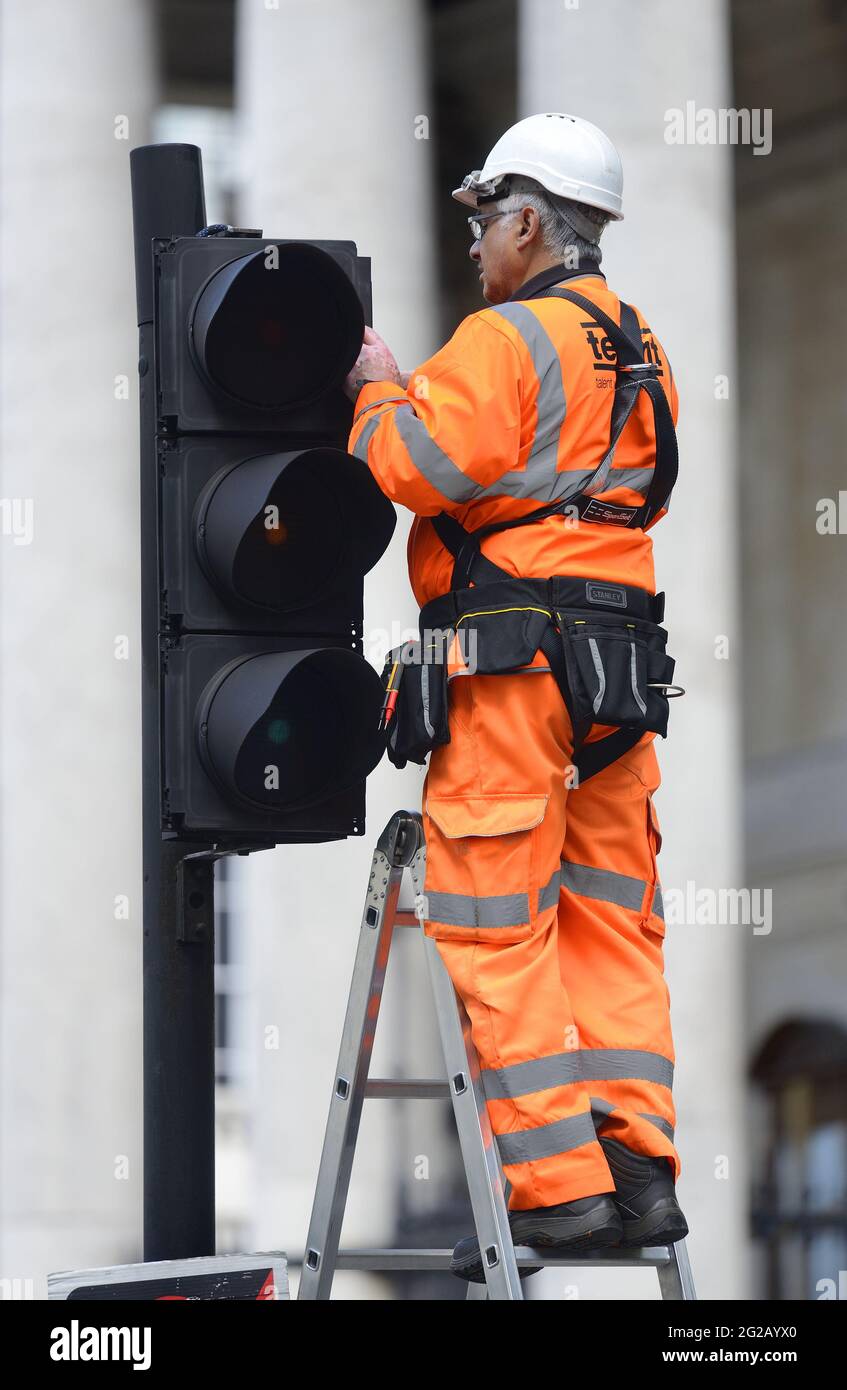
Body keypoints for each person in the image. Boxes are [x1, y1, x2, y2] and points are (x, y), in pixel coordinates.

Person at [343, 112, 689, 1284]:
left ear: (532, 220)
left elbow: (414, 470)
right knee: (611, 917)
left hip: (511, 670)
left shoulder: (501, 340)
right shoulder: (639, 346)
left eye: (488, 220)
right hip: (617, 672)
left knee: (494, 920)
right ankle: (638, 1168)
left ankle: (558, 1192)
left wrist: (381, 392)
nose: (479, 244)